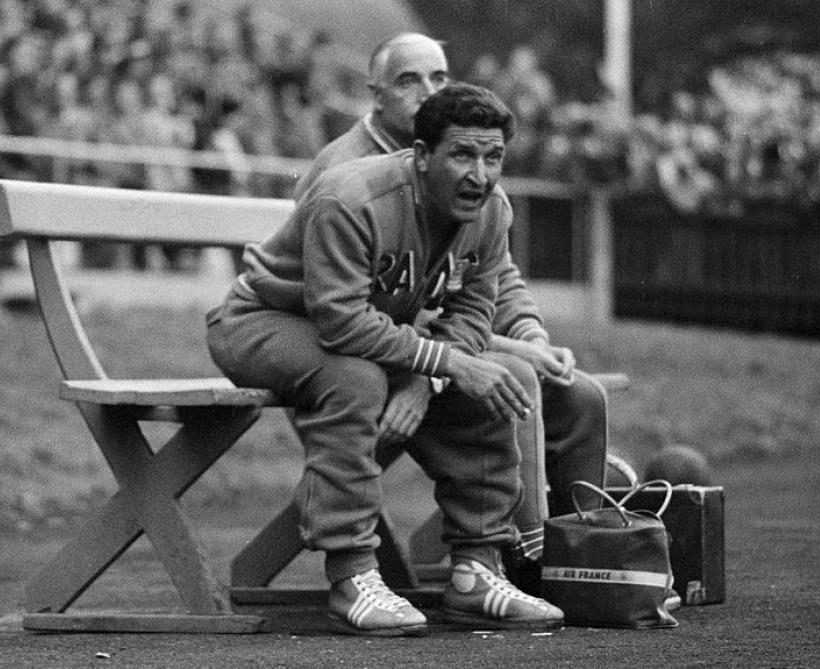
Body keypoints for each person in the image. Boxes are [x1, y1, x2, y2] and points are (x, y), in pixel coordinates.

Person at [206, 84, 564, 636]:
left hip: (371, 333)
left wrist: (432, 377)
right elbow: (339, 320)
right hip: (262, 321)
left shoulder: (492, 211)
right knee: (354, 378)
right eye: (463, 155)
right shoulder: (351, 197)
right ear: (421, 156)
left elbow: (472, 313)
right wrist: (444, 362)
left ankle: (477, 569)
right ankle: (351, 575)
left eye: (493, 157)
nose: (481, 174)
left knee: (502, 375)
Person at [291, 33, 608, 595]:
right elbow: (347, 304)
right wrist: (437, 371)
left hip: (434, 335)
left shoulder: (469, 158)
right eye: (408, 80)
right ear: (377, 96)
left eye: (438, 78)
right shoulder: (348, 171)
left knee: (580, 395)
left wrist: (529, 332)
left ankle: (586, 553)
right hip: (349, 341)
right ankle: (524, 557)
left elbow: (494, 272)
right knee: (517, 377)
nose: (428, 91)